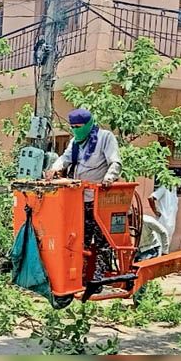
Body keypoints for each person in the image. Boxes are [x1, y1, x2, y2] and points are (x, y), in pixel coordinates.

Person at [45, 108, 122, 284]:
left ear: (88, 124)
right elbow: (65, 159)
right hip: (79, 199)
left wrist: (109, 178)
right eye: (73, 127)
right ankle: (79, 276)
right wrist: (54, 169)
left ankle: (98, 279)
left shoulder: (105, 137)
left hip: (100, 199)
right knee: (80, 240)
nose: (76, 129)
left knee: (102, 240)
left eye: (79, 126)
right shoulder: (75, 142)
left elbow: (115, 161)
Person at [148, 177, 179, 249]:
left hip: (170, 223)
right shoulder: (165, 187)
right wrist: (155, 211)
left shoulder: (173, 189)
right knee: (160, 245)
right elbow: (151, 198)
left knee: (166, 245)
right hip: (163, 221)